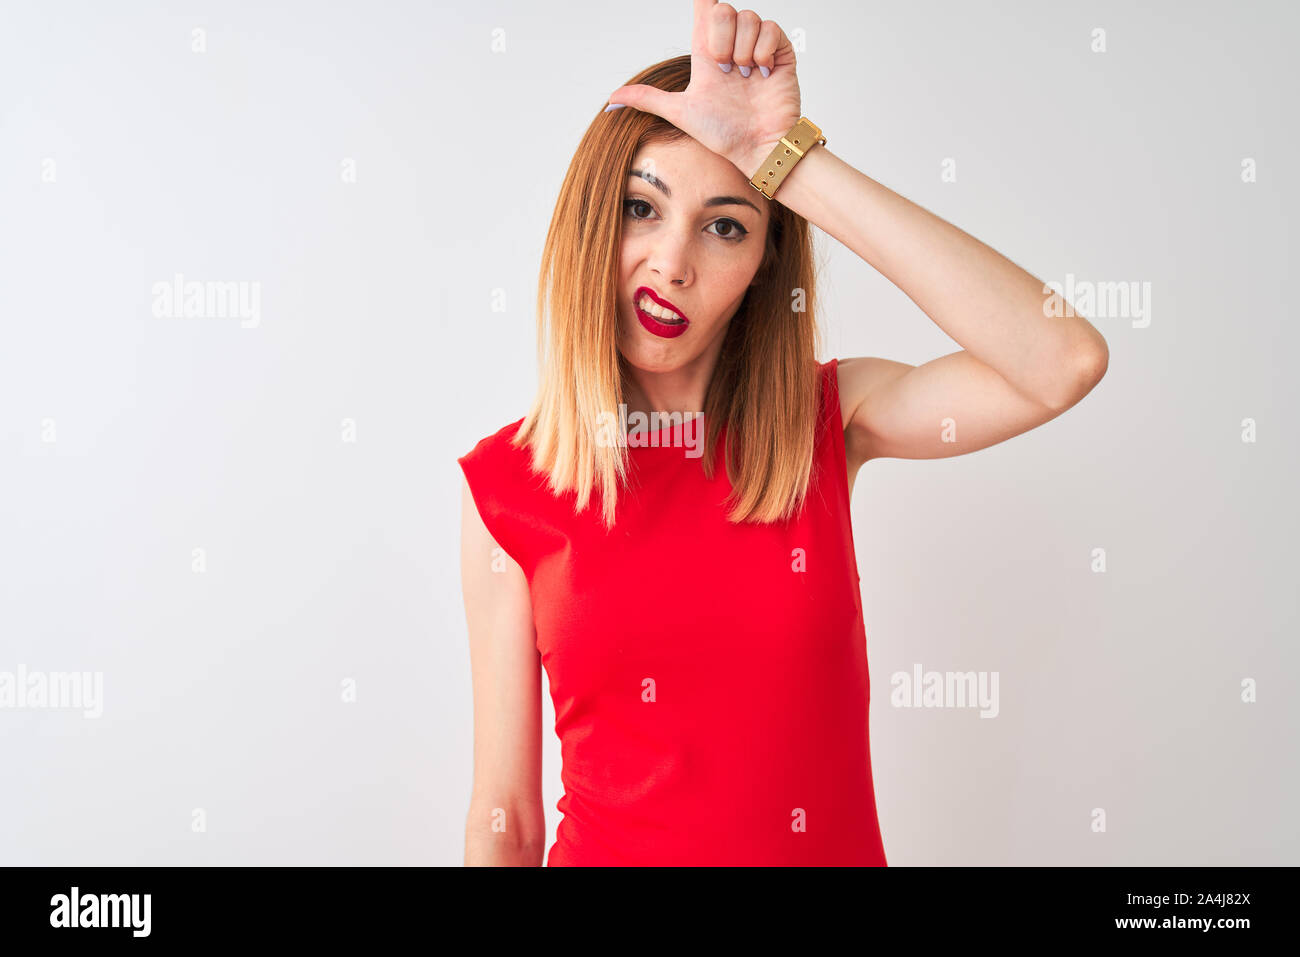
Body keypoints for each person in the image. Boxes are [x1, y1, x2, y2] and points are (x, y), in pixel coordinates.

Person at [459, 0, 1108, 867]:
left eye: (726, 224)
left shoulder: (830, 420)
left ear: (766, 265)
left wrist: (784, 160)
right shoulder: (507, 486)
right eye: (641, 209)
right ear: (589, 223)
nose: (672, 262)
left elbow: (1062, 357)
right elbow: (507, 814)